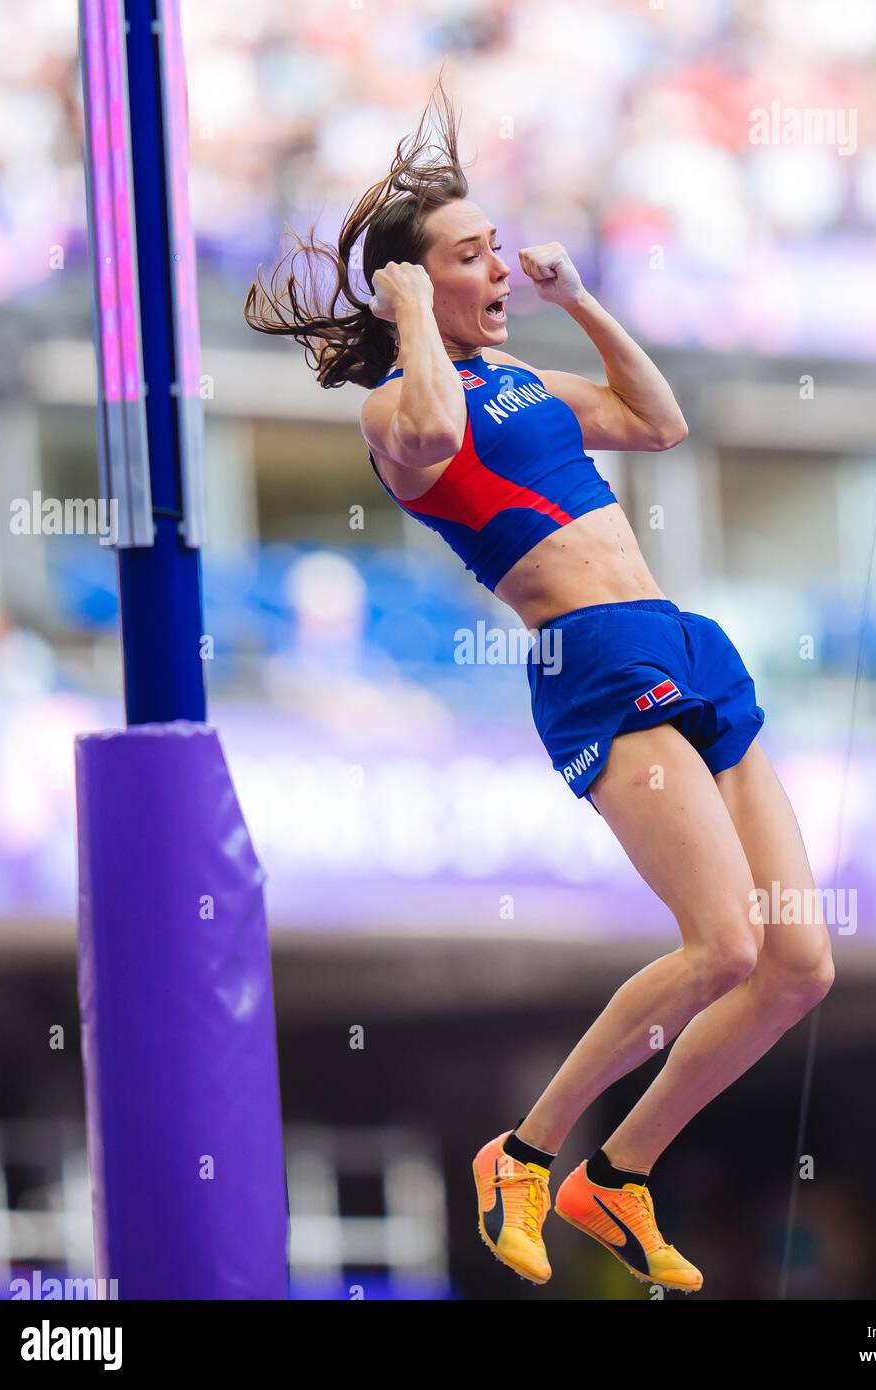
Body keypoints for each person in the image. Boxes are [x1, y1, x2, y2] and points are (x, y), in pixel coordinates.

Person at [245, 76, 835, 1294]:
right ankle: (519, 1150)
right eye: (471, 257)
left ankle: (614, 1177)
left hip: (678, 638)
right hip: (592, 662)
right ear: (419, 282)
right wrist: (407, 314)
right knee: (720, 946)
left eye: (498, 251)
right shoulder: (404, 405)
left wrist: (581, 301)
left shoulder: (521, 380)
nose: (499, 271)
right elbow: (427, 437)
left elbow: (657, 422)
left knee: (796, 968)